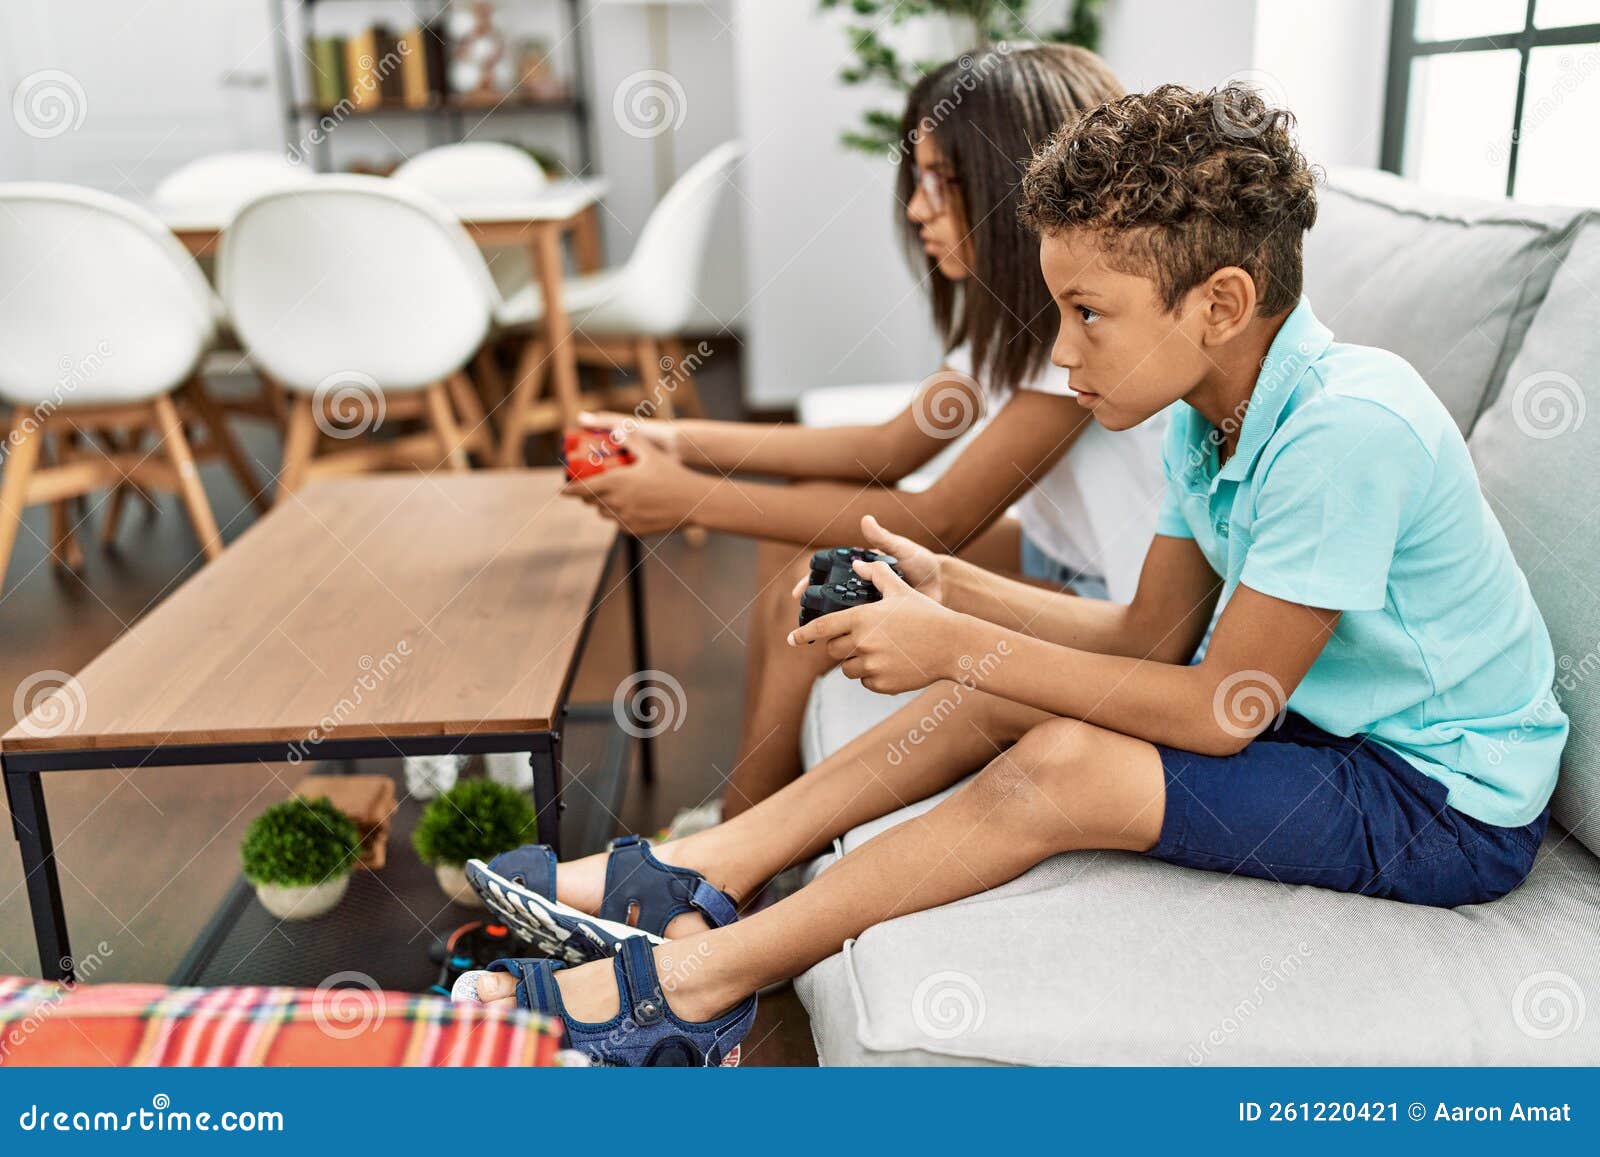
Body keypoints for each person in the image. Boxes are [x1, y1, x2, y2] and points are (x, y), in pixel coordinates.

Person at [456, 83, 1566, 1067]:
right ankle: (697, 872)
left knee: (1064, 760)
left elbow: (1223, 711)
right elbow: (1144, 634)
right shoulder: (1205, 414)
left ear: (1219, 305)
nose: (1064, 350)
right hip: (1328, 726)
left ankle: (695, 981)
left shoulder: (1343, 431)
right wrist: (955, 590)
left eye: (1087, 315)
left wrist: (953, 645)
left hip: (1437, 799)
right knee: (997, 681)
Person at [565, 44, 1167, 817]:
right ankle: (739, 806)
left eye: (937, 183)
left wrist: (684, 500)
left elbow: (940, 518)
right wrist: (680, 443)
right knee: (796, 534)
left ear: (1010, 183)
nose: (916, 209)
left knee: (806, 592)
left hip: (1104, 600)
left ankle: (735, 841)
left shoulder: (1084, 334)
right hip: (1058, 554)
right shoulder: (1016, 316)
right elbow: (886, 447)